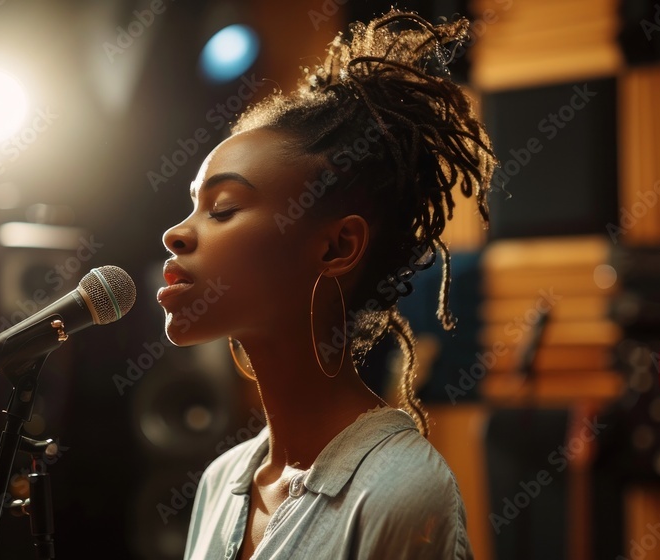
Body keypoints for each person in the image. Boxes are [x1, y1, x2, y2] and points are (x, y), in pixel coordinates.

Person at [157, 8, 496, 560]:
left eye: (222, 208)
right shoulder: (219, 483)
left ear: (337, 248)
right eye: (191, 206)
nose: (176, 234)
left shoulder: (401, 489)